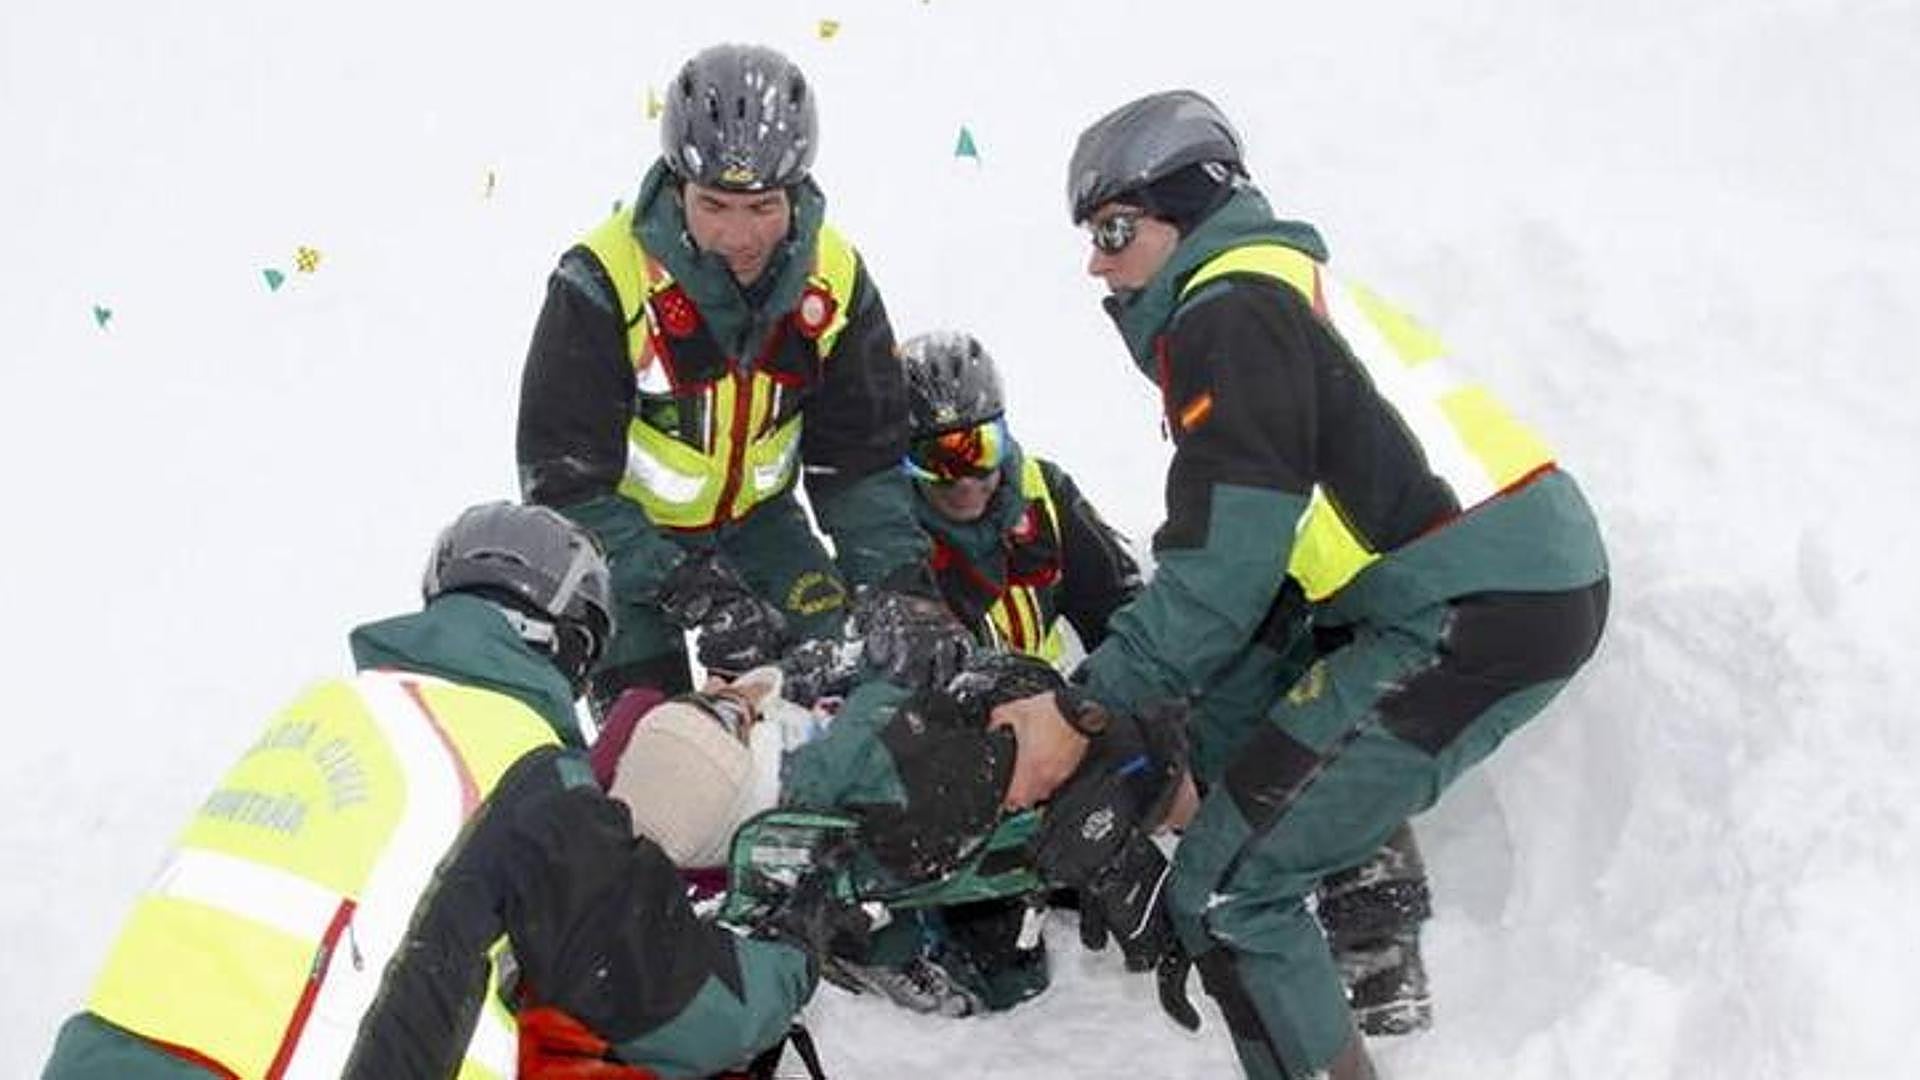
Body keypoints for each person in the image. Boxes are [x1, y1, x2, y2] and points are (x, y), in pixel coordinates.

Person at [987, 90, 1610, 1079]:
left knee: (1229, 891)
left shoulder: (1228, 313)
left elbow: (1220, 575)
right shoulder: (1266, 288)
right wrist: (1177, 744)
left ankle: (1348, 955)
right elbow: (1260, 575)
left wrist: (1084, 712)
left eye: (1113, 228)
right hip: (1482, 586)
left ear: (1183, 212)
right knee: (1245, 750)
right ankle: (1340, 917)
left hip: (1476, 609)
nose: (1096, 263)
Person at [42, 502, 859, 1080]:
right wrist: (791, 943)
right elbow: (684, 1010)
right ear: (573, 648)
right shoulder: (528, 773)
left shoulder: (327, 713)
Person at [900, 328, 1437, 1035]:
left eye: (983, 448)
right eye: (941, 458)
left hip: (1054, 737)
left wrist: (1143, 729)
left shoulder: (1044, 498)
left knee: (1241, 699)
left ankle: (1368, 918)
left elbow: (1126, 610)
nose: (968, 478)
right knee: (1008, 978)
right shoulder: (886, 535)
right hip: (960, 771)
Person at [517, 42, 939, 715]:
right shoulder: (599, 280)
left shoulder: (835, 277)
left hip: (760, 526)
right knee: (651, 735)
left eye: (764, 206)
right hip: (625, 542)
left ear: (796, 192)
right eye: (714, 205)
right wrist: (694, 588)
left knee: (847, 684)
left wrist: (897, 585)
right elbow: (562, 485)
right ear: (676, 183)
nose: (739, 236)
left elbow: (860, 463)